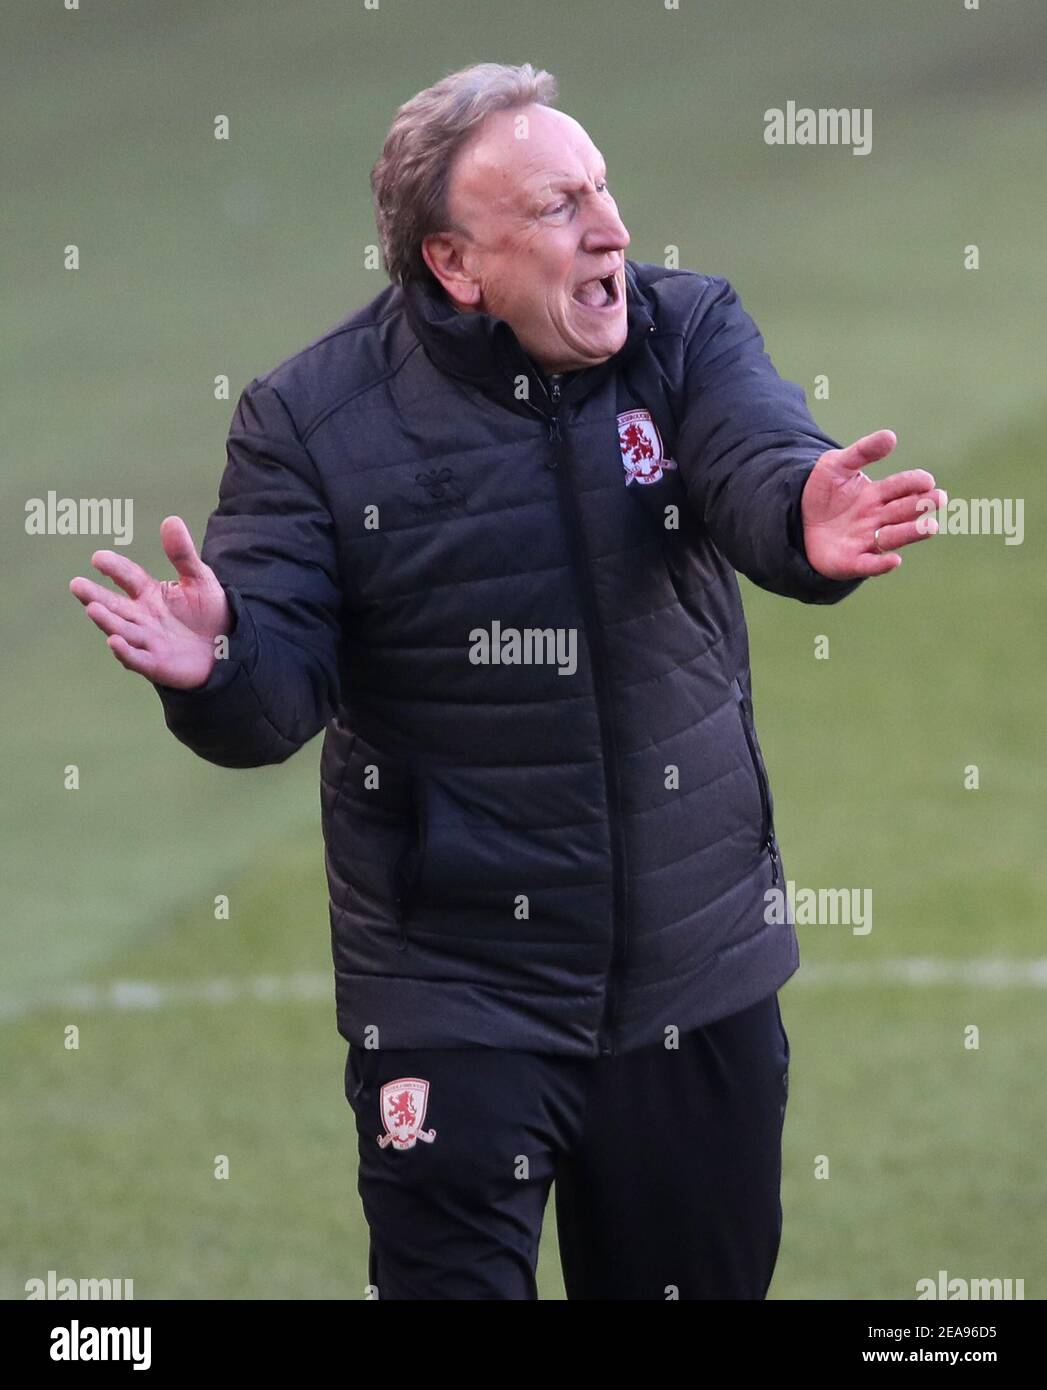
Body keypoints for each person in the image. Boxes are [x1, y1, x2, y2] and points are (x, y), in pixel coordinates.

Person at [70, 62, 944, 1300]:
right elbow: (275, 691)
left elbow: (754, 454)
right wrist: (218, 661)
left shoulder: (685, 330)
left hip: (692, 973)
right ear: (454, 264)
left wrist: (802, 508)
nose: (612, 229)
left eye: (601, 188)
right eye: (556, 207)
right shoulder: (311, 422)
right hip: (453, 990)